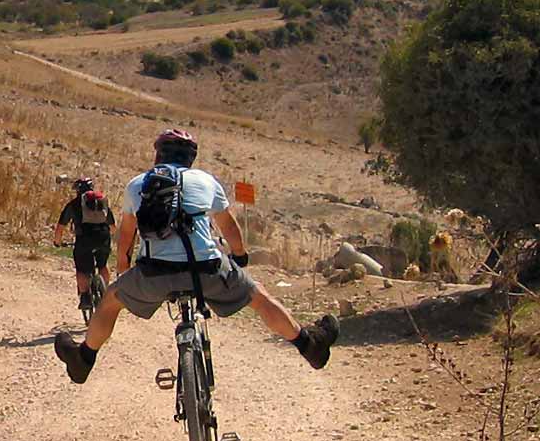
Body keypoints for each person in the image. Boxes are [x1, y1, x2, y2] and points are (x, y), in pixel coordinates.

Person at [53, 129, 339, 384]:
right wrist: (239, 257)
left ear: (158, 155)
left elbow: (126, 239)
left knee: (109, 302)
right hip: (208, 271)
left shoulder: (137, 184)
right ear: (191, 159)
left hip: (153, 273)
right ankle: (309, 346)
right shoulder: (206, 181)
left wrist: (124, 277)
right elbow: (229, 228)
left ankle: (84, 360)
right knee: (258, 297)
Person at [53, 178, 115, 309]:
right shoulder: (101, 202)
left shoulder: (74, 204)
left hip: (85, 239)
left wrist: (57, 242)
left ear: (77, 190)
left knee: (82, 269)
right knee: (103, 264)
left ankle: (86, 297)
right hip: (104, 237)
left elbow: (60, 226)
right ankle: (106, 292)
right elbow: (113, 226)